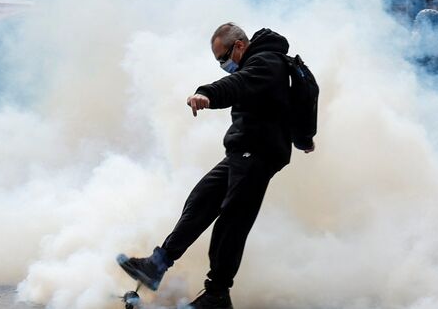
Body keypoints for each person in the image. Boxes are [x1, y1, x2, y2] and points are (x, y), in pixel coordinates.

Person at [117, 24, 314, 309]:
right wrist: (304, 138)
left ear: (239, 47)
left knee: (232, 219)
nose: (224, 66)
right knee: (202, 199)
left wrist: (206, 94)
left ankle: (218, 294)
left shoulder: (266, 62)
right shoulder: (263, 62)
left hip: (258, 154)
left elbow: (238, 84)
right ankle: (157, 264)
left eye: (223, 58)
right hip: (243, 152)